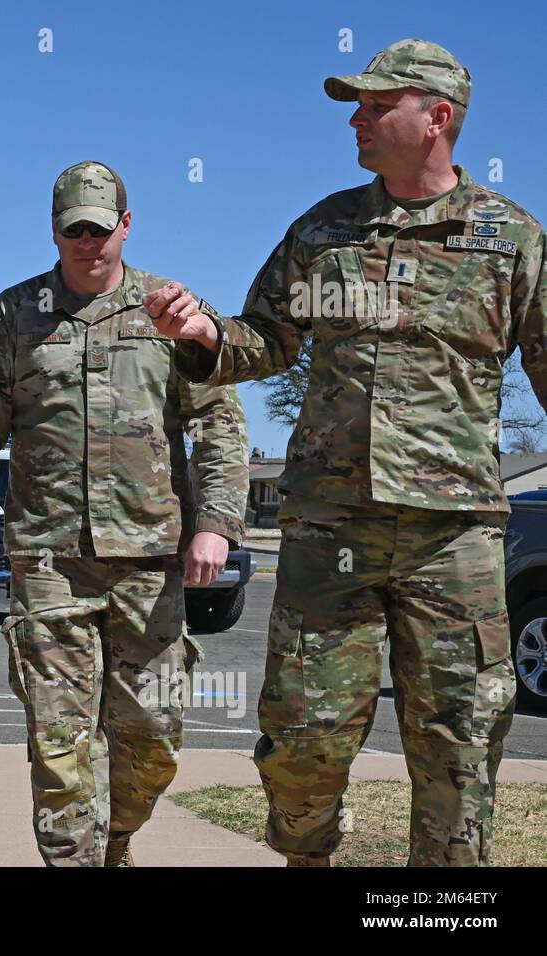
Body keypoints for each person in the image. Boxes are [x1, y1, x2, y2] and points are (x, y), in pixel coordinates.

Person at [144, 39, 538, 866]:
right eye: (353, 105)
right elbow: (264, 339)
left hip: (454, 539)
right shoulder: (324, 231)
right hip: (332, 533)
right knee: (301, 742)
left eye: (373, 104)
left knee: (459, 743)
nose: (355, 119)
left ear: (437, 118)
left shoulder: (511, 242)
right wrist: (204, 332)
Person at [0, 162, 248, 866]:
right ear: (53, 231)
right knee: (60, 746)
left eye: (100, 230)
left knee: (152, 741)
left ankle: (115, 840)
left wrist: (216, 522)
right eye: (74, 230)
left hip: (149, 561)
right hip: (48, 565)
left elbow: (221, 424)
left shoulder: (171, 312)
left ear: (127, 226)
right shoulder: (14, 318)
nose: (88, 243)